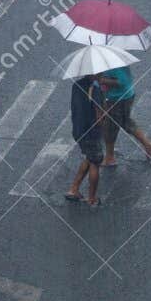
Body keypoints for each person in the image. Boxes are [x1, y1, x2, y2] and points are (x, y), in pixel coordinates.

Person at [95, 65, 151, 166]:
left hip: (119, 99)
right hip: (122, 96)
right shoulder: (112, 60)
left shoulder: (114, 65)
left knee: (110, 127)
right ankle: (148, 145)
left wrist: (102, 80)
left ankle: (110, 158)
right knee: (126, 122)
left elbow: (121, 81)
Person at [66, 76, 102, 205]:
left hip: (78, 129)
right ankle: (92, 198)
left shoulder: (76, 85)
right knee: (95, 162)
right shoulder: (95, 89)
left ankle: (74, 189)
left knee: (89, 157)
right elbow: (99, 117)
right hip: (91, 132)